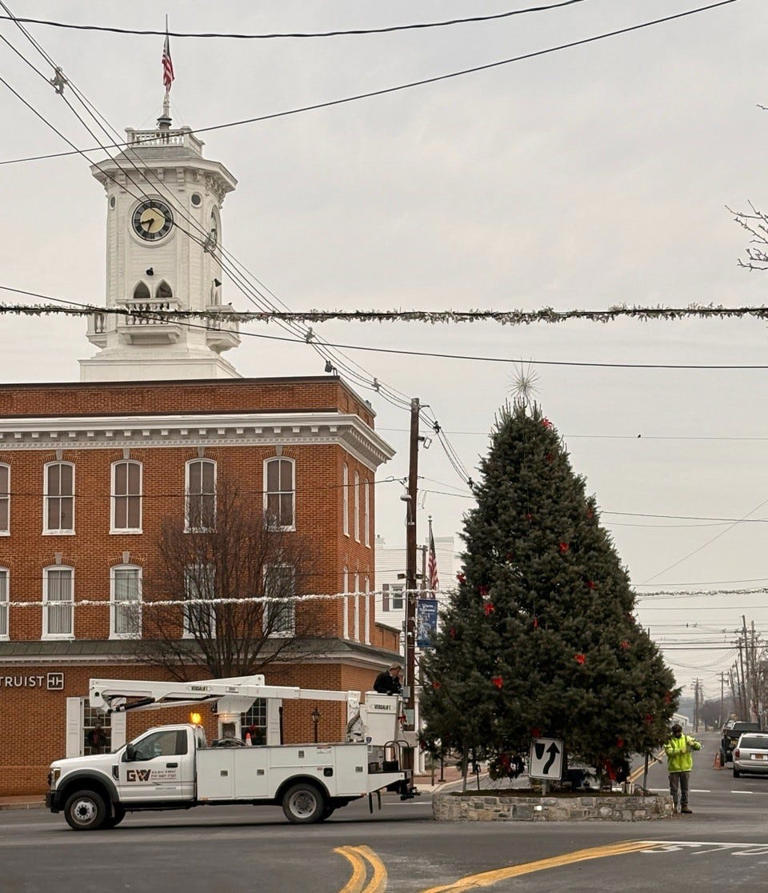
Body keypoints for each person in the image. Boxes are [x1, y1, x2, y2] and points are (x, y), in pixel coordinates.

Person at [664, 723, 702, 814]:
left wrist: (693, 744)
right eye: (676, 733)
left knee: (685, 789)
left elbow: (698, 746)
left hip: (685, 768)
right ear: (673, 733)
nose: (677, 734)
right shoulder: (669, 740)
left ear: (681, 731)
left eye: (679, 732)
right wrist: (680, 751)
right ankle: (674, 807)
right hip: (674, 768)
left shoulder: (686, 738)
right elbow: (669, 752)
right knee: (674, 789)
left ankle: (684, 806)